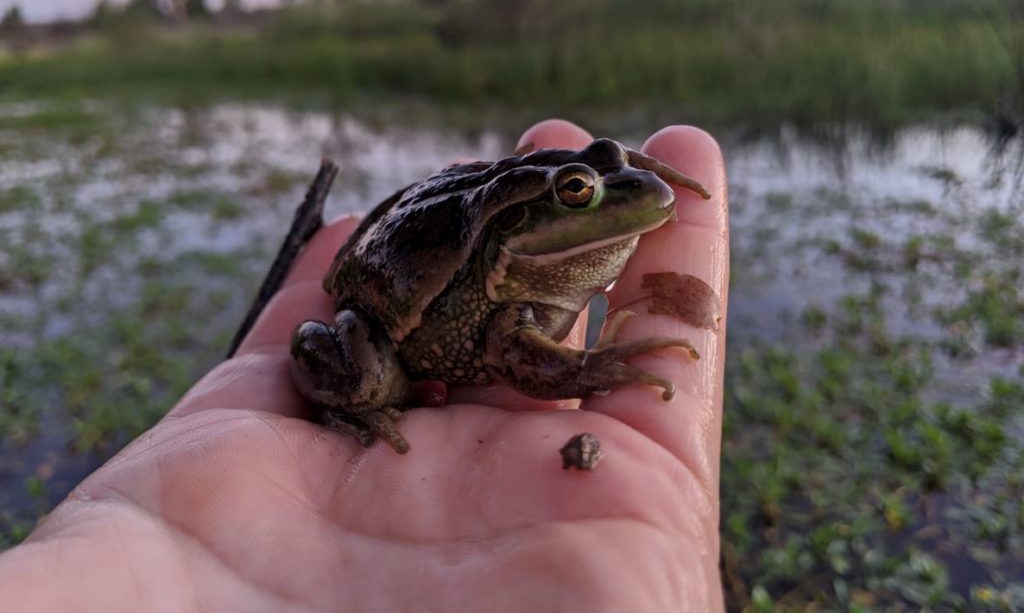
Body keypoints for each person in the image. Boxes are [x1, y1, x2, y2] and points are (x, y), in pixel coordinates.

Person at [0, 120, 730, 611]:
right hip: (380, 323)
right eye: (578, 193)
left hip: (425, 234)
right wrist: (601, 368)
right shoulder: (508, 297)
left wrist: (613, 166)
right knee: (370, 377)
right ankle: (361, 401)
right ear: (524, 225)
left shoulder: (533, 259)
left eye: (602, 175)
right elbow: (519, 356)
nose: (628, 192)